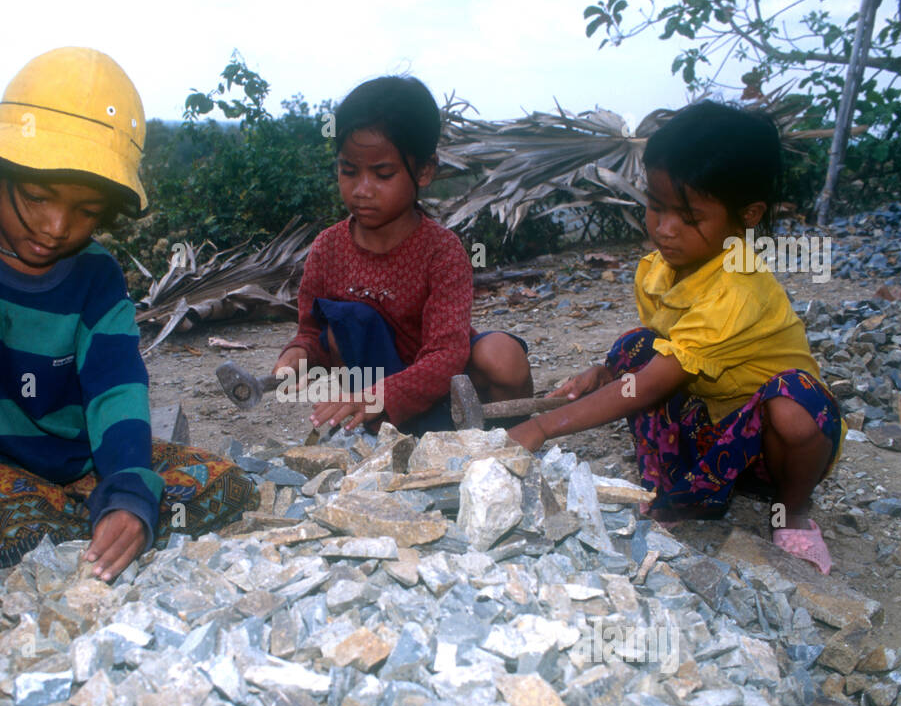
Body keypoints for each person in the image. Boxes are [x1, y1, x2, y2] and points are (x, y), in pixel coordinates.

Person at [0, 47, 256, 591]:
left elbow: (116, 389)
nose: (57, 226)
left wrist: (129, 494)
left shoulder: (96, 277)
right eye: (37, 197)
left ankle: (45, 527)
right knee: (12, 510)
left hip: (78, 465)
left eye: (86, 211)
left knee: (227, 485)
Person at [507, 101, 844, 574]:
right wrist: (603, 374)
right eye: (656, 206)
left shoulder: (738, 289)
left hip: (773, 447)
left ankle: (791, 512)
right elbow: (657, 353)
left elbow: (650, 385)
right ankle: (687, 485)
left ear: (746, 216)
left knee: (795, 406)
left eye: (688, 217)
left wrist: (543, 426)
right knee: (634, 346)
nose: (665, 229)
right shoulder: (657, 270)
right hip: (711, 425)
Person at [273, 76, 533, 436]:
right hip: (373, 392)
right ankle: (384, 432)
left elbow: (446, 356)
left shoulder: (441, 252)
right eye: (348, 171)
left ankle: (506, 443)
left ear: (425, 171)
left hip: (443, 387)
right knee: (340, 327)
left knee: (503, 358)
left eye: (382, 174)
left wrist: (384, 394)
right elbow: (310, 332)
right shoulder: (327, 249)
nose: (362, 190)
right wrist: (297, 355)